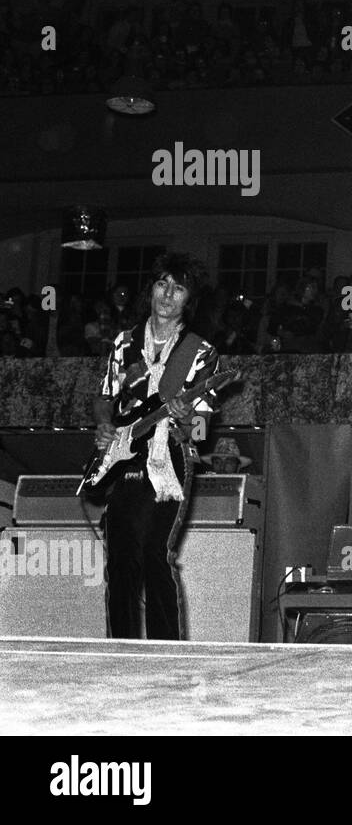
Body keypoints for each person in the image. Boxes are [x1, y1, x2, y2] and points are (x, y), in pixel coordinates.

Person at [93, 252, 219, 640]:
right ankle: (122, 648)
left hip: (168, 460)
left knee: (153, 552)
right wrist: (103, 425)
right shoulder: (124, 341)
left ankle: (168, 651)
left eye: (178, 288)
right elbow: (105, 396)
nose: (168, 294)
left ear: (188, 299)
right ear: (150, 289)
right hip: (125, 455)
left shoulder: (200, 352)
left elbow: (201, 428)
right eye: (162, 283)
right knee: (120, 557)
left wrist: (183, 417)